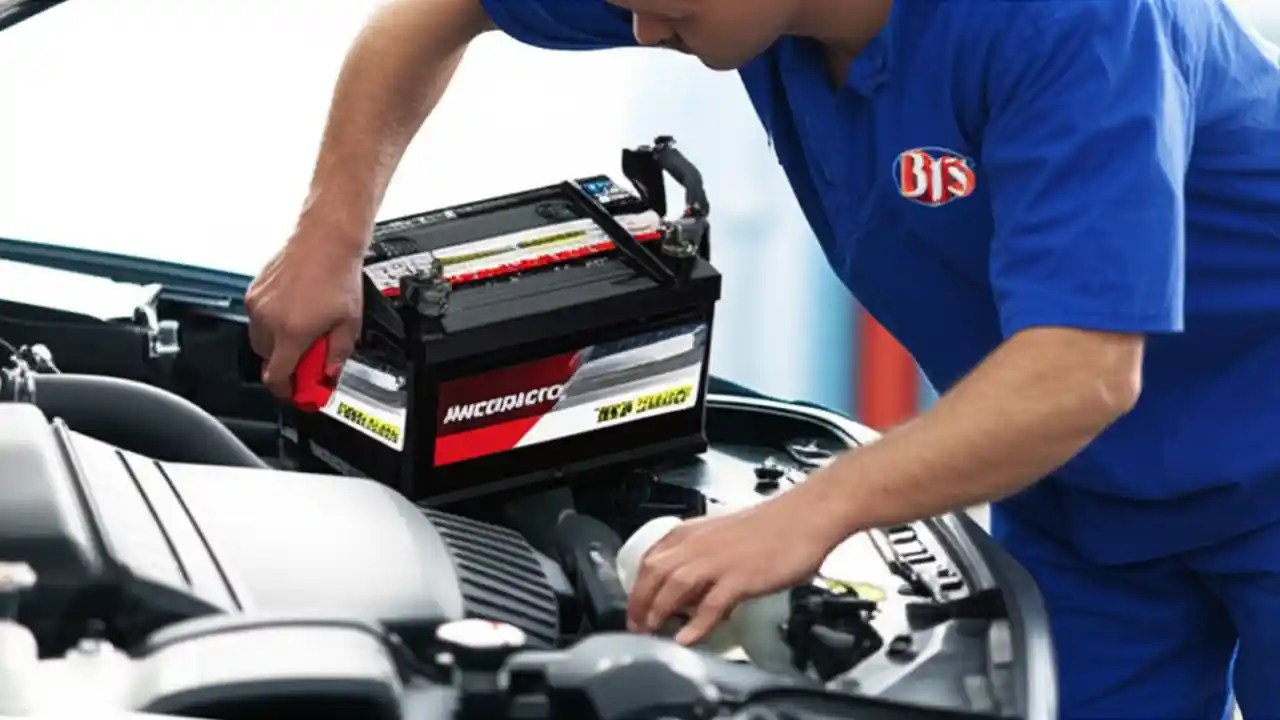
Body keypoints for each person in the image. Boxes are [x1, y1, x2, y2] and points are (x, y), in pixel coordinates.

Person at [244, 0, 1280, 716]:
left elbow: (1080, 371)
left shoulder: (1072, 23)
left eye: (659, 5)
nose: (641, 29)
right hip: (1077, 502)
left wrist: (804, 513)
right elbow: (434, 12)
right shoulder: (738, 8)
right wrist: (328, 238)